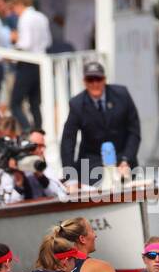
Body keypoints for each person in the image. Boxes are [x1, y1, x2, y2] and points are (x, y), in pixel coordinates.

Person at [59, 60, 141, 190]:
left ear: (104, 79)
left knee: (127, 181)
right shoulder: (77, 104)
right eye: (90, 80)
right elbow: (68, 141)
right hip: (92, 161)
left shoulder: (122, 95)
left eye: (98, 79)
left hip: (122, 157)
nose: (95, 83)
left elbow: (134, 131)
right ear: (84, 81)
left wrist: (126, 160)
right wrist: (70, 177)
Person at [10, 0, 51, 132]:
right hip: (39, 63)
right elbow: (47, 41)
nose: (14, 12)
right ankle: (39, 132)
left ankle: (28, 131)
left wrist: (15, 43)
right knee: (34, 103)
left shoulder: (25, 18)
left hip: (27, 63)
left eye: (14, 8)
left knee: (14, 104)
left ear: (18, 5)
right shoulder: (41, 16)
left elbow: (25, 44)